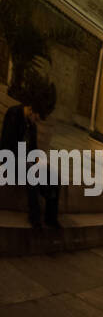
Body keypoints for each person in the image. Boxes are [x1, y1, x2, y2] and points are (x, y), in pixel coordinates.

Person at [1, 84, 59, 230]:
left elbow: (33, 149)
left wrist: (38, 159)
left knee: (54, 176)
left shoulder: (31, 124)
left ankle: (51, 218)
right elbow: (7, 146)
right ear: (31, 109)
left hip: (26, 162)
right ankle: (35, 217)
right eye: (37, 117)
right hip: (10, 159)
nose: (36, 121)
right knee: (31, 171)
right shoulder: (14, 114)